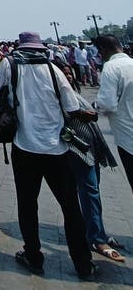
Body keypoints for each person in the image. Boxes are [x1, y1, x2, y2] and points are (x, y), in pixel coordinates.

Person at [0, 31, 95, 279]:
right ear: (41, 50)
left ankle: (33, 256)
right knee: (71, 207)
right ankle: (83, 264)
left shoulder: (9, 65)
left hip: (24, 147)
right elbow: (72, 107)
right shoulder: (54, 70)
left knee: (27, 205)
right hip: (56, 150)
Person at [59, 64, 125, 263]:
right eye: (64, 74)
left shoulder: (72, 94)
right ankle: (96, 238)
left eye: (69, 73)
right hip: (78, 151)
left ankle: (97, 232)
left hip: (90, 148)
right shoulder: (61, 97)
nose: (68, 76)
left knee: (92, 191)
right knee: (90, 192)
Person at [94, 34, 133, 192]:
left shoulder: (110, 67)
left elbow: (107, 104)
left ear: (103, 49)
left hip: (127, 136)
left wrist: (94, 106)